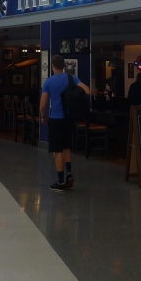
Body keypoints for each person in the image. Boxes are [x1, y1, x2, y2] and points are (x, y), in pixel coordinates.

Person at [40, 55, 89, 192]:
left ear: (52, 66)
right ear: (64, 66)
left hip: (55, 118)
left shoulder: (48, 82)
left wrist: (43, 116)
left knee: (58, 149)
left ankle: (60, 181)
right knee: (67, 146)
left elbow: (43, 105)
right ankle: (69, 173)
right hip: (68, 118)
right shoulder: (71, 78)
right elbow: (87, 90)